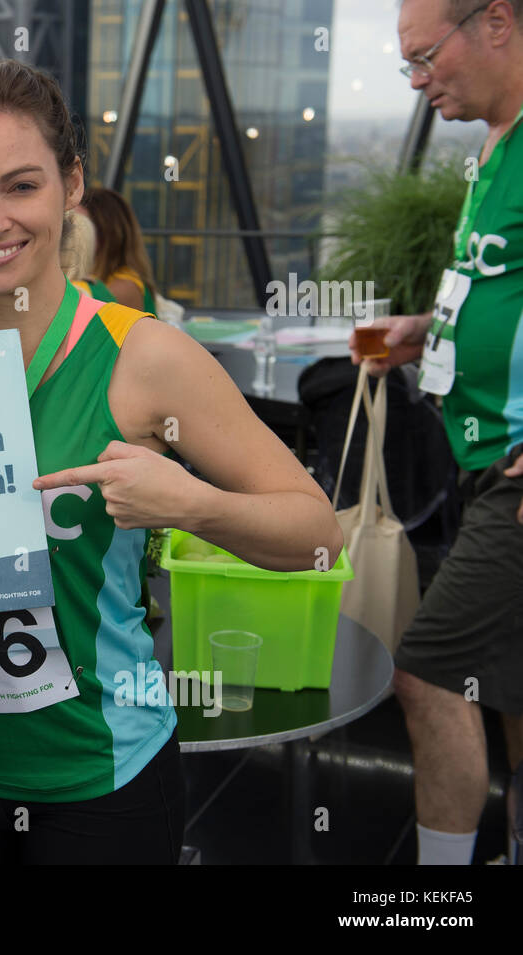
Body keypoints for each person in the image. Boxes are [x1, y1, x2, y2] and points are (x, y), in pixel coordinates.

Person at [0, 59, 343, 865]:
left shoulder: (145, 357)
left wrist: (191, 503)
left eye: (20, 187)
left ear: (71, 186)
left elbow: (318, 536)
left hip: (102, 785)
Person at [351, 0, 523, 866]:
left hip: (516, 474)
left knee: (427, 669)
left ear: (496, 21)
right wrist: (428, 330)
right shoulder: (496, 146)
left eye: (425, 57)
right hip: (484, 461)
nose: (419, 84)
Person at [79, 185, 160, 314]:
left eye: (79, 225)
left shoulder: (124, 287)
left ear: (105, 234)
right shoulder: (105, 281)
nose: (67, 232)